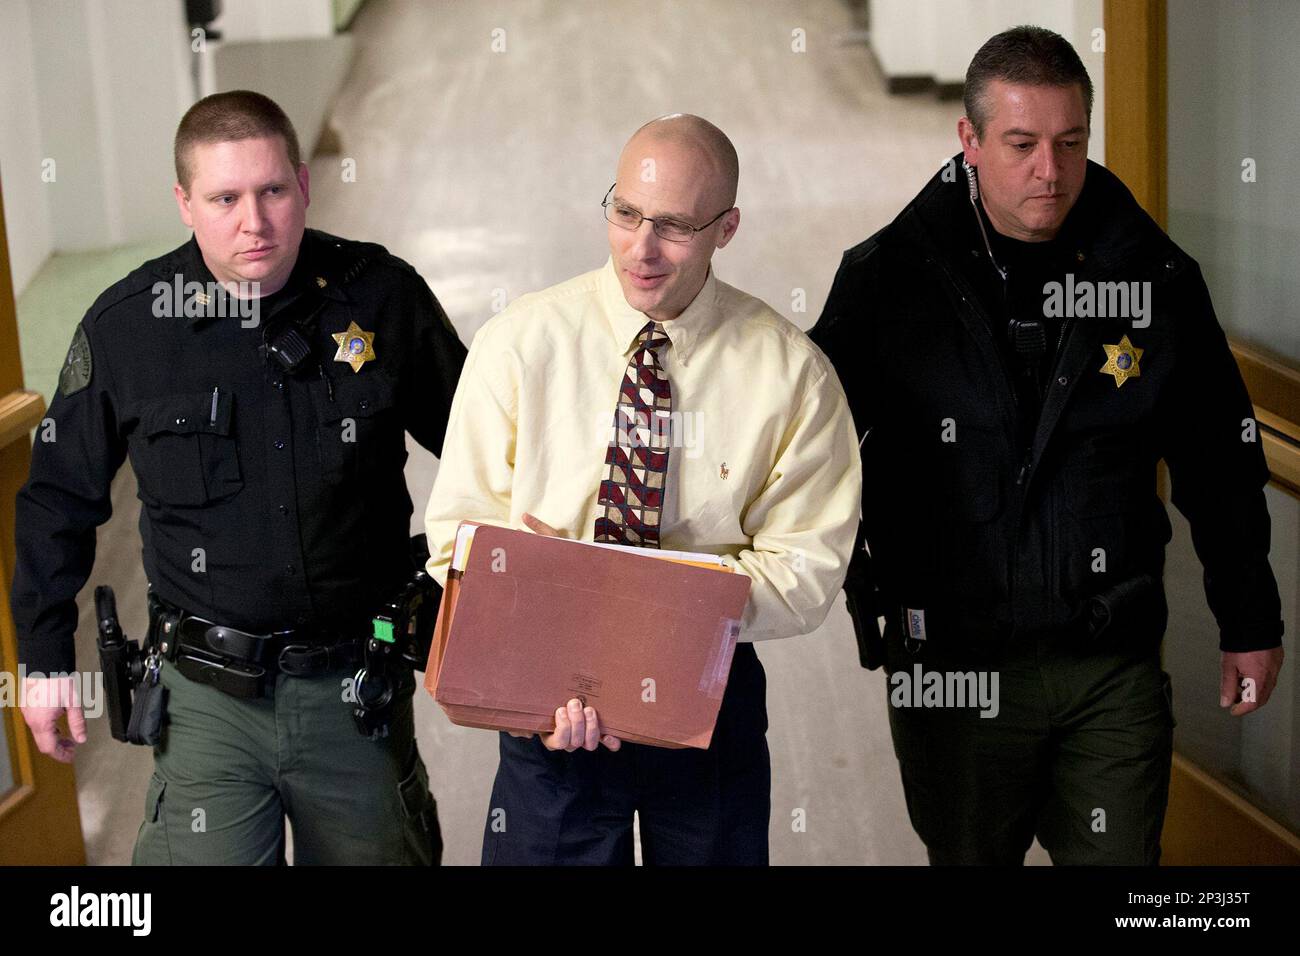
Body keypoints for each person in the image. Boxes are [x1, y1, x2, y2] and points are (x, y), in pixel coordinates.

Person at [811, 26, 1285, 865]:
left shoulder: (1155, 279)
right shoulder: (889, 280)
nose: (1051, 172)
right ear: (968, 139)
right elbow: (809, 446)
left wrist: (1249, 619)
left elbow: (1219, 459)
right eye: (1022, 145)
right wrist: (860, 594)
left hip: (1108, 664)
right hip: (955, 668)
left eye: (1071, 144)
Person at [14, 90, 466, 865]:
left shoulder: (381, 298)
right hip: (205, 704)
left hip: (354, 689)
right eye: (224, 198)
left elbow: (482, 454)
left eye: (272, 191)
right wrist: (46, 661)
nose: (253, 221)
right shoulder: (130, 327)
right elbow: (58, 497)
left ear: (304, 185)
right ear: (184, 203)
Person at [424, 113, 861, 865]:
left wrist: (638, 613)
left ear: (727, 228)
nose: (641, 248)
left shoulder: (792, 375)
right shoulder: (519, 345)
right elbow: (455, 537)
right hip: (548, 710)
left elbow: (808, 567)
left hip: (708, 703)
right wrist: (549, 633)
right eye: (624, 213)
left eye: (675, 226)